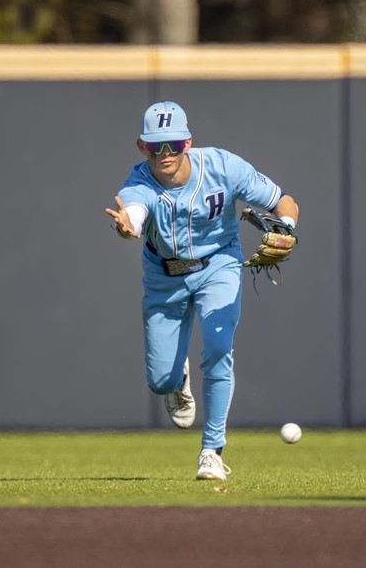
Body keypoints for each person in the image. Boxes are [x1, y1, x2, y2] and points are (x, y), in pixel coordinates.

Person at [105, 100, 299, 481]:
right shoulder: (138, 183)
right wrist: (127, 224)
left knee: (218, 348)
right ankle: (177, 380)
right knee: (159, 381)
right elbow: (135, 211)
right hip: (164, 276)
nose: (165, 154)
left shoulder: (225, 167)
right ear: (141, 146)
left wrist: (288, 227)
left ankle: (212, 450)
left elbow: (283, 200)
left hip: (219, 266)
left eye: (173, 145)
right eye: (155, 145)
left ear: (188, 143)